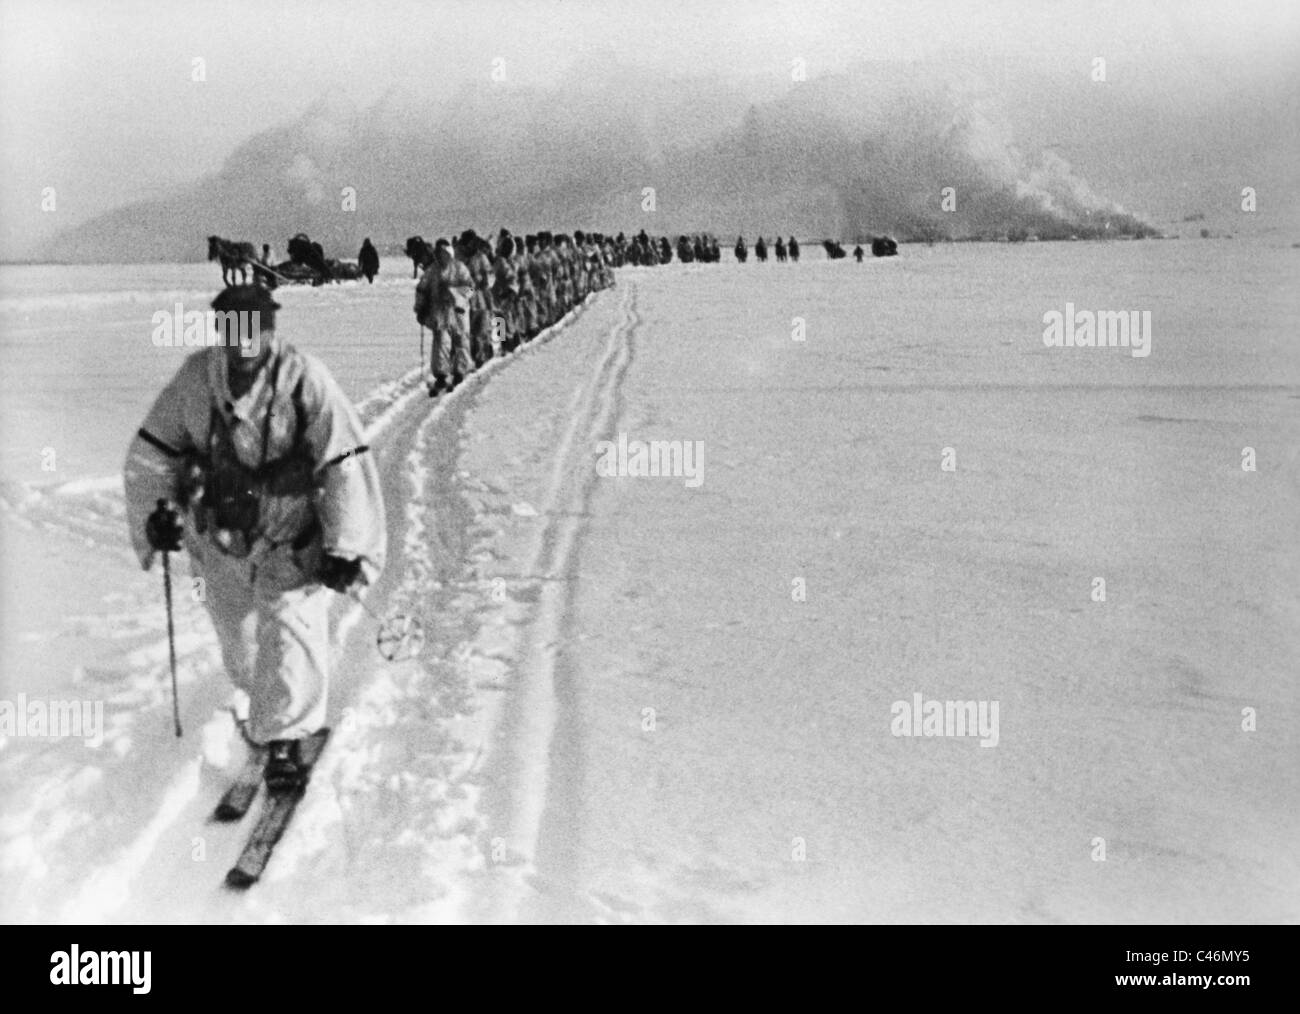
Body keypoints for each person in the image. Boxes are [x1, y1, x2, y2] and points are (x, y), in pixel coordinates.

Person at [123, 285, 386, 787]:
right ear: (221, 329)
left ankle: (286, 739)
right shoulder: (197, 380)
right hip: (221, 539)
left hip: (291, 537)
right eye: (234, 325)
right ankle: (266, 704)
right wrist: (157, 514)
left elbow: (344, 461)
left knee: (289, 633)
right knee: (241, 645)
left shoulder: (305, 378)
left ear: (270, 329)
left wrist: (347, 545)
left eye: (255, 325)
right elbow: (154, 451)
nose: (244, 338)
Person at [414, 239, 474, 395]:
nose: (441, 256)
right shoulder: (432, 271)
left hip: (458, 311)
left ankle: (460, 371)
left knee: (461, 340)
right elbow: (422, 289)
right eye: (438, 253)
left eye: (444, 253)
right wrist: (420, 308)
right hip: (439, 312)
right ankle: (441, 374)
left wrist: (454, 294)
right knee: (441, 342)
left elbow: (469, 287)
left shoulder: (459, 268)